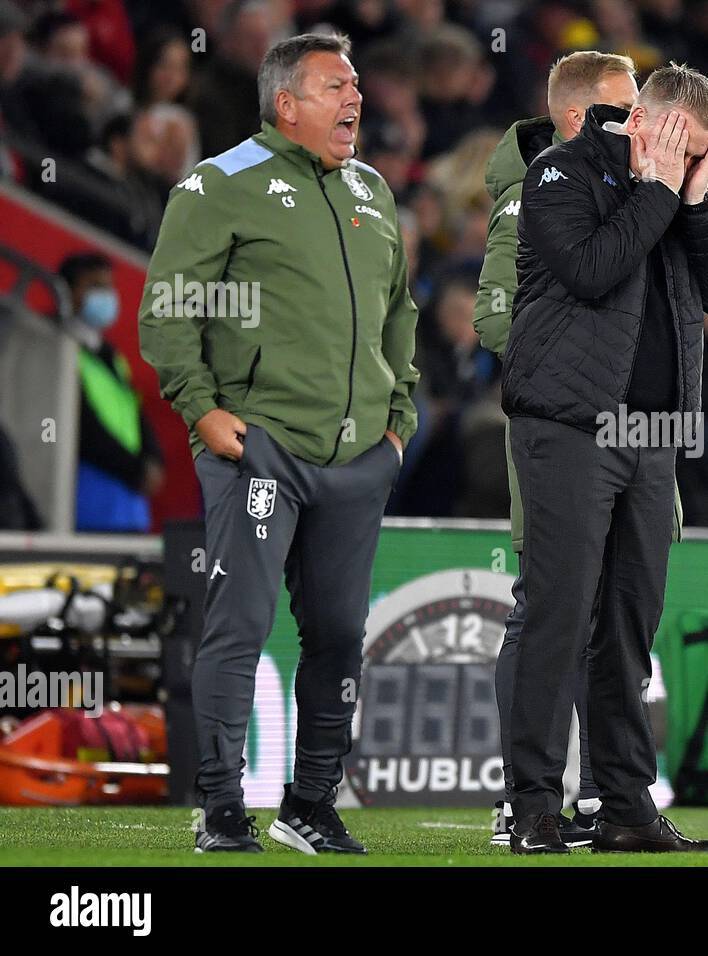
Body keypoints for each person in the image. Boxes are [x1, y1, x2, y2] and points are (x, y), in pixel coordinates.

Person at [138, 33, 418, 853]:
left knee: (337, 634)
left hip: (359, 457)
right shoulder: (218, 184)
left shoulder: (372, 190)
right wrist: (200, 408)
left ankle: (312, 803)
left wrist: (397, 421)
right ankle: (221, 804)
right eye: (337, 86)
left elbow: (401, 311)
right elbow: (168, 307)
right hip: (258, 448)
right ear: (286, 104)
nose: (356, 99)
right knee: (241, 623)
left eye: (357, 84)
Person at [503, 62, 708, 853]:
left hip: (651, 437)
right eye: (695, 151)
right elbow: (591, 270)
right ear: (654, 126)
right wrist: (654, 189)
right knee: (559, 615)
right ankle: (536, 806)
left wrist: (697, 198)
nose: (699, 167)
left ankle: (624, 805)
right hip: (572, 427)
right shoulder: (557, 172)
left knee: (627, 627)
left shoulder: (681, 193)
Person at [472, 50, 639, 848]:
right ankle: (523, 796)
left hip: (628, 437)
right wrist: (585, 358)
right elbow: (496, 322)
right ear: (579, 119)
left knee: (608, 620)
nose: (639, 119)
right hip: (563, 436)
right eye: (623, 106)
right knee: (546, 612)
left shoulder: (630, 192)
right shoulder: (531, 205)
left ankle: (607, 797)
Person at [58, 252, 163, 532]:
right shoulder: (57, 350)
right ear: (67, 291)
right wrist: (136, 470)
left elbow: (133, 411)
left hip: (128, 506)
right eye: (94, 286)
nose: (105, 296)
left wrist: (153, 459)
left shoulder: (112, 356)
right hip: (88, 503)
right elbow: (84, 428)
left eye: (107, 287)